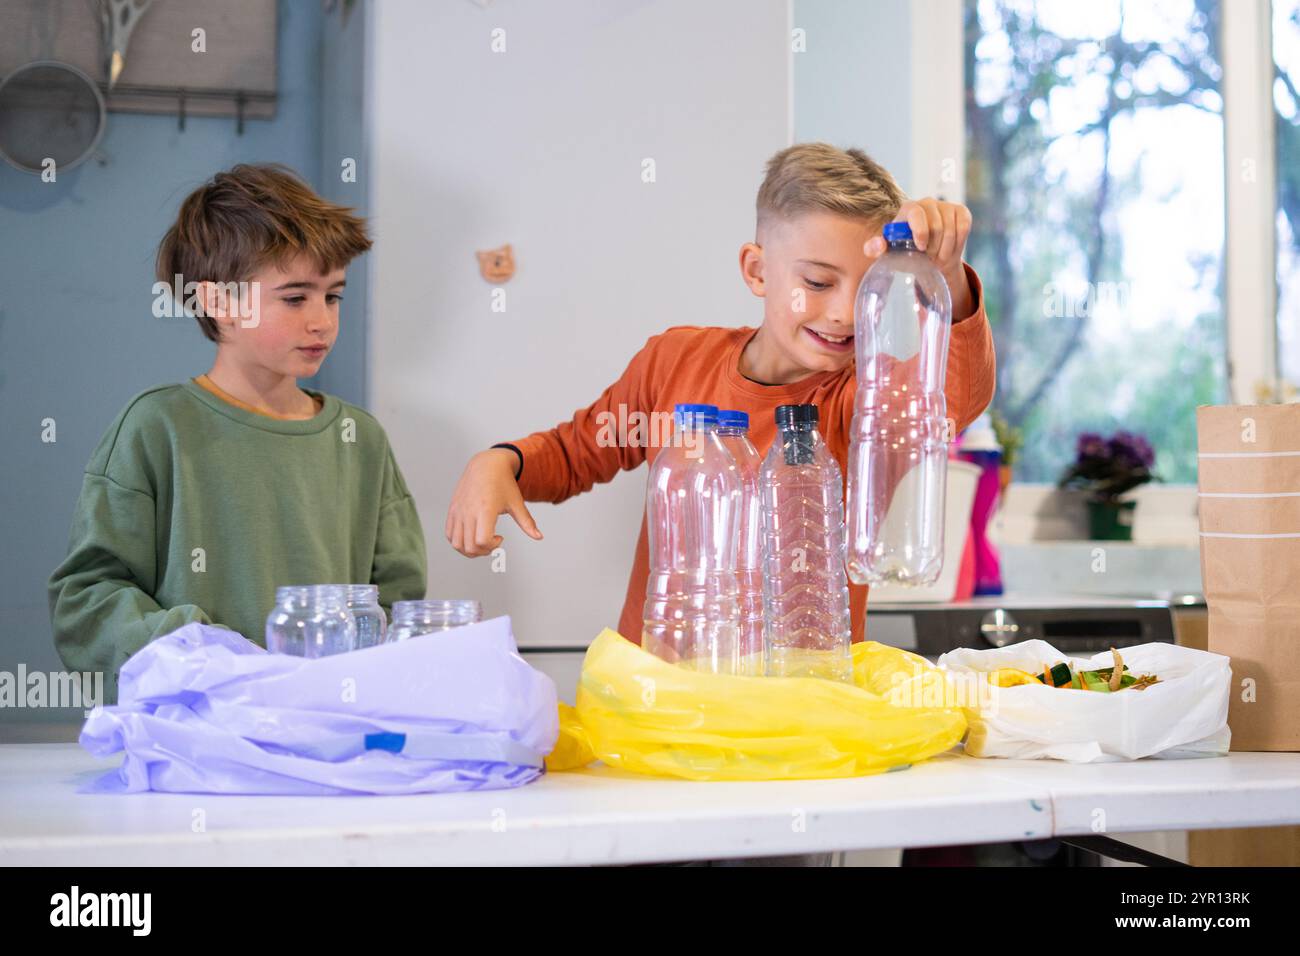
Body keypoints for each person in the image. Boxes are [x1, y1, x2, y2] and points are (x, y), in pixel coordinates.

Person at [445, 142, 995, 645]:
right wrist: (502, 462)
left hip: (800, 706)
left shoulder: (863, 397)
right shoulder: (674, 362)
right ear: (758, 271)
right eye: (819, 283)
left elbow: (953, 397)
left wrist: (948, 276)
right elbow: (576, 451)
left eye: (871, 285)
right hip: (664, 699)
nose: (844, 313)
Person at [49, 164, 427, 702]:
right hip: (191, 737)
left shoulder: (361, 440)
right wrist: (203, 655)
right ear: (218, 302)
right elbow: (87, 600)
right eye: (295, 298)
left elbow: (398, 603)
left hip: (326, 734)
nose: (321, 320)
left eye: (333, 296)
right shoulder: (157, 428)